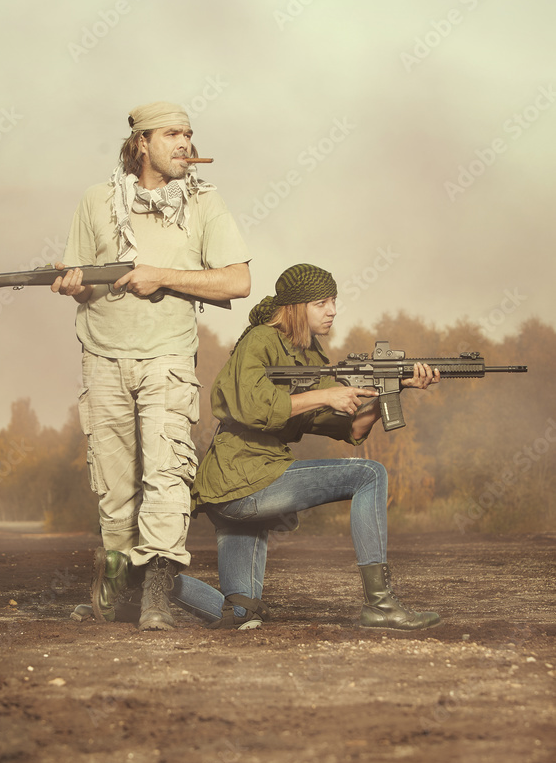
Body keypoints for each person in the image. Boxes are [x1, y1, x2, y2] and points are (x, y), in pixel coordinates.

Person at [52, 101, 250, 631]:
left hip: (167, 359)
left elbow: (237, 281)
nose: (186, 143)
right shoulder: (97, 200)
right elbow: (86, 282)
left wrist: (161, 274)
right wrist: (74, 283)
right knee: (115, 487)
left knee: (167, 477)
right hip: (103, 359)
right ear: (142, 143)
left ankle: (157, 599)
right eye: (172, 134)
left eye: (189, 134)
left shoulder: (205, 202)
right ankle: (117, 588)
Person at [174, 262, 442, 631]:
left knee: (239, 614)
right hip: (245, 475)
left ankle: (133, 582)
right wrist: (325, 394)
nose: (332, 310)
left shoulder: (309, 354)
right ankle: (380, 604)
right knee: (369, 473)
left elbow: (343, 426)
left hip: (241, 488)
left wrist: (391, 393)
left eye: (334, 301)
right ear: (296, 307)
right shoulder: (260, 340)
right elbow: (249, 406)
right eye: (321, 303)